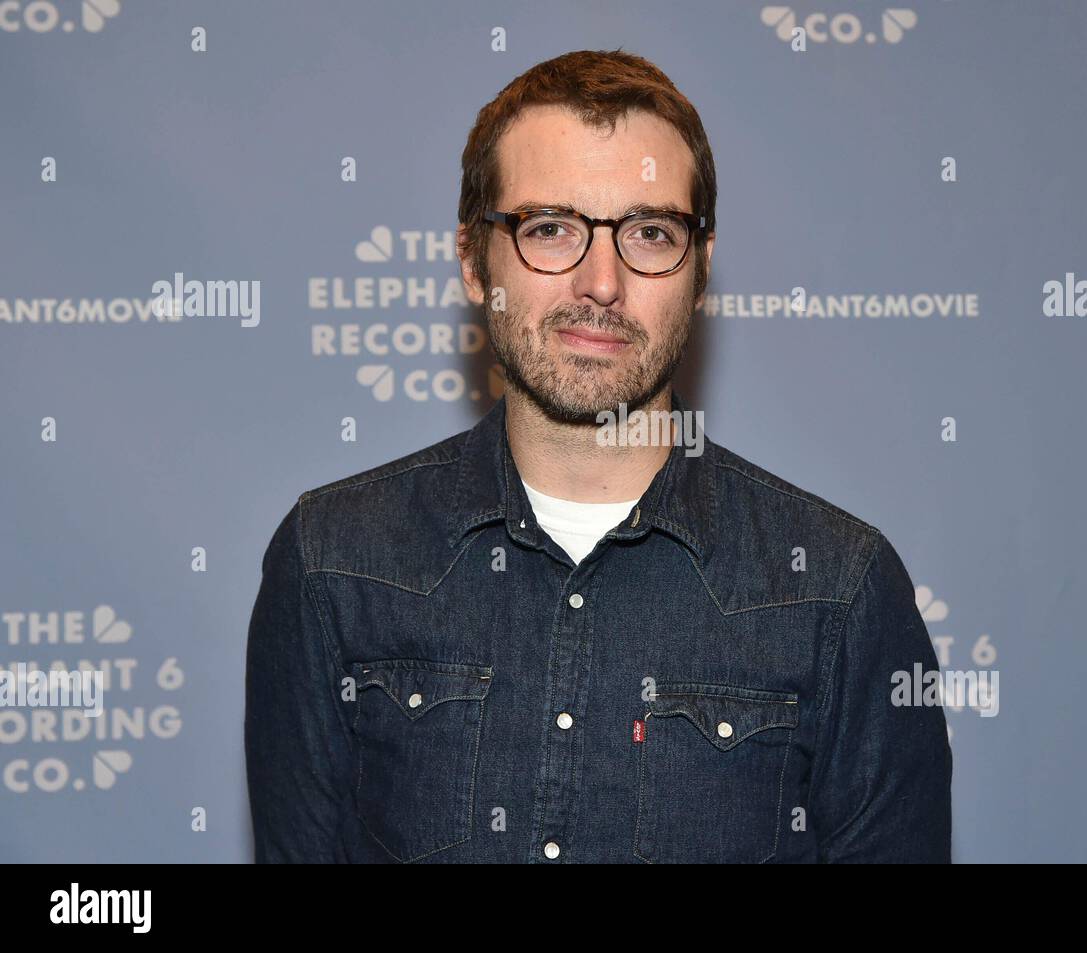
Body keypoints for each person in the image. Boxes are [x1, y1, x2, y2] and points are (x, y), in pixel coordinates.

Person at [245, 48, 951, 863]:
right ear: (474, 260)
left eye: (651, 232)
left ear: (701, 270)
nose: (602, 281)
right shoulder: (333, 559)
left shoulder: (837, 587)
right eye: (551, 229)